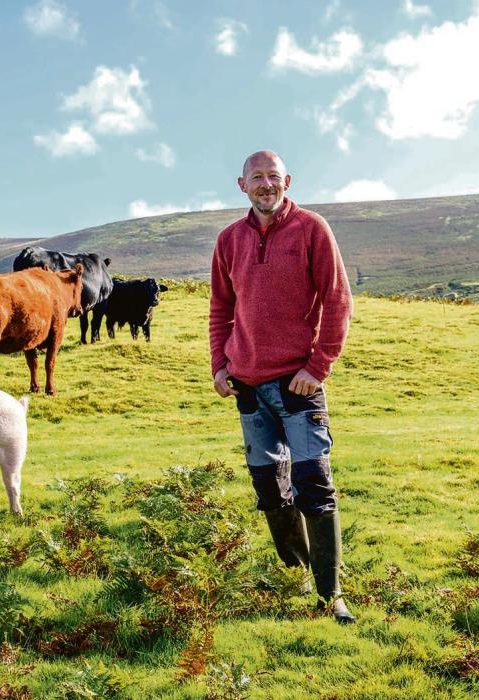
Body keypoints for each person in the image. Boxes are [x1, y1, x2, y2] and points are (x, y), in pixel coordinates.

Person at [209, 150, 355, 623]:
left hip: (298, 386)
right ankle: (298, 578)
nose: (266, 184)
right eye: (257, 177)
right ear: (241, 184)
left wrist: (318, 367)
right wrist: (219, 364)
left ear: (287, 181)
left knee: (314, 482)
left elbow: (337, 302)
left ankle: (330, 594)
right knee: (270, 489)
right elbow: (220, 310)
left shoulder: (312, 229)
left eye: (273, 176)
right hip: (247, 388)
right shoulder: (229, 240)